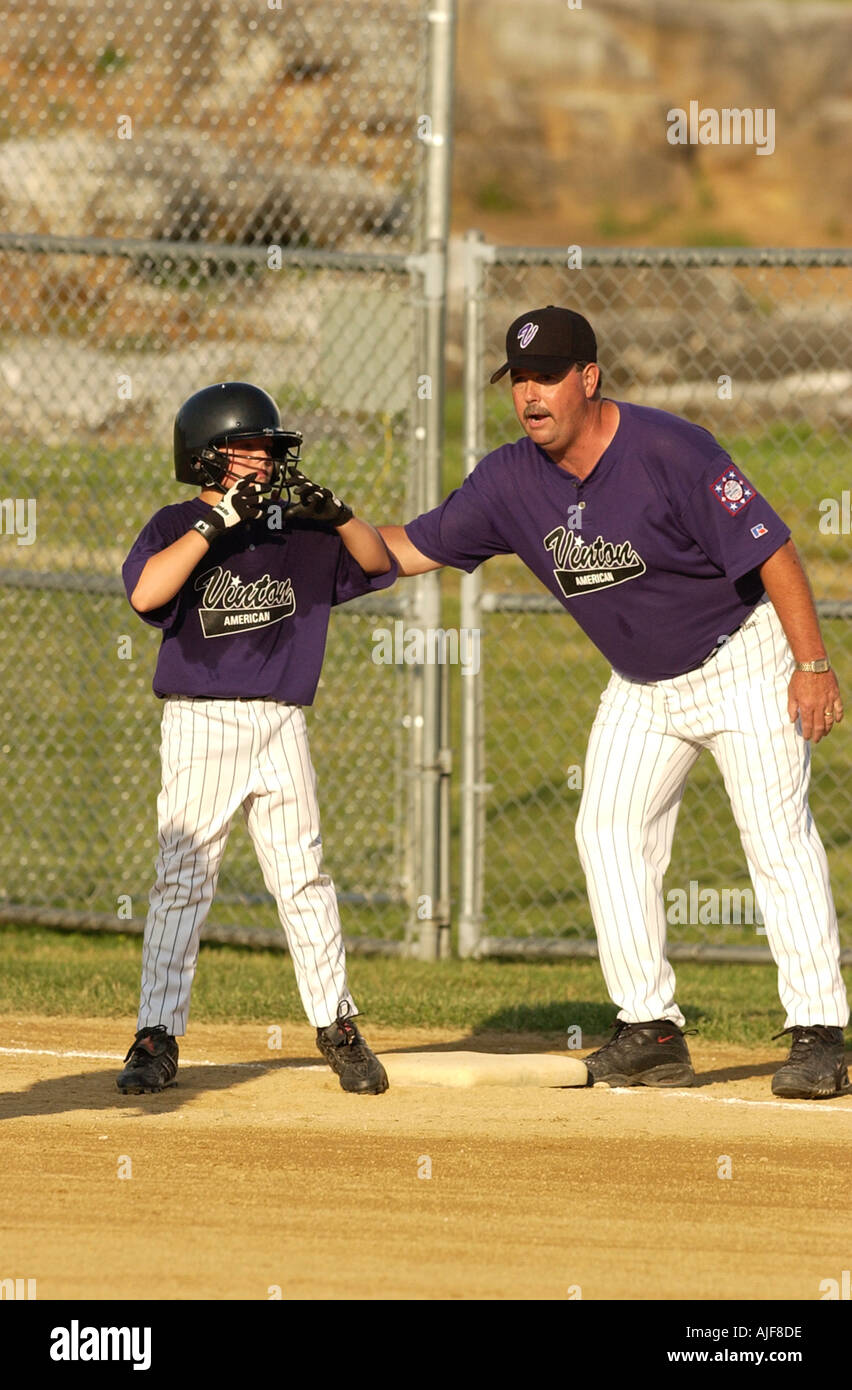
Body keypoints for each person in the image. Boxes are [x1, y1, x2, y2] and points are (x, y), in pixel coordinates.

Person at [379, 305, 850, 1100]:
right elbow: (406, 549)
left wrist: (812, 663)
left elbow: (771, 546)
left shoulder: (670, 448)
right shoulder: (507, 481)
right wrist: (315, 536)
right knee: (607, 828)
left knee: (774, 837)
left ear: (588, 378)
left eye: (548, 377)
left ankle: (821, 1034)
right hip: (641, 684)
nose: (530, 394)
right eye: (519, 379)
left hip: (743, 658)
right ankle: (652, 1031)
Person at [118, 381, 394, 1097]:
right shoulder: (177, 522)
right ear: (205, 458)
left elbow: (374, 564)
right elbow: (147, 593)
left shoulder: (296, 532)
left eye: (268, 447)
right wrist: (215, 525)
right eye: (246, 447)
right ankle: (157, 1035)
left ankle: (337, 1024)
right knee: (184, 878)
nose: (263, 458)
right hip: (201, 720)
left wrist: (340, 515)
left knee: (302, 877)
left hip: (280, 721)